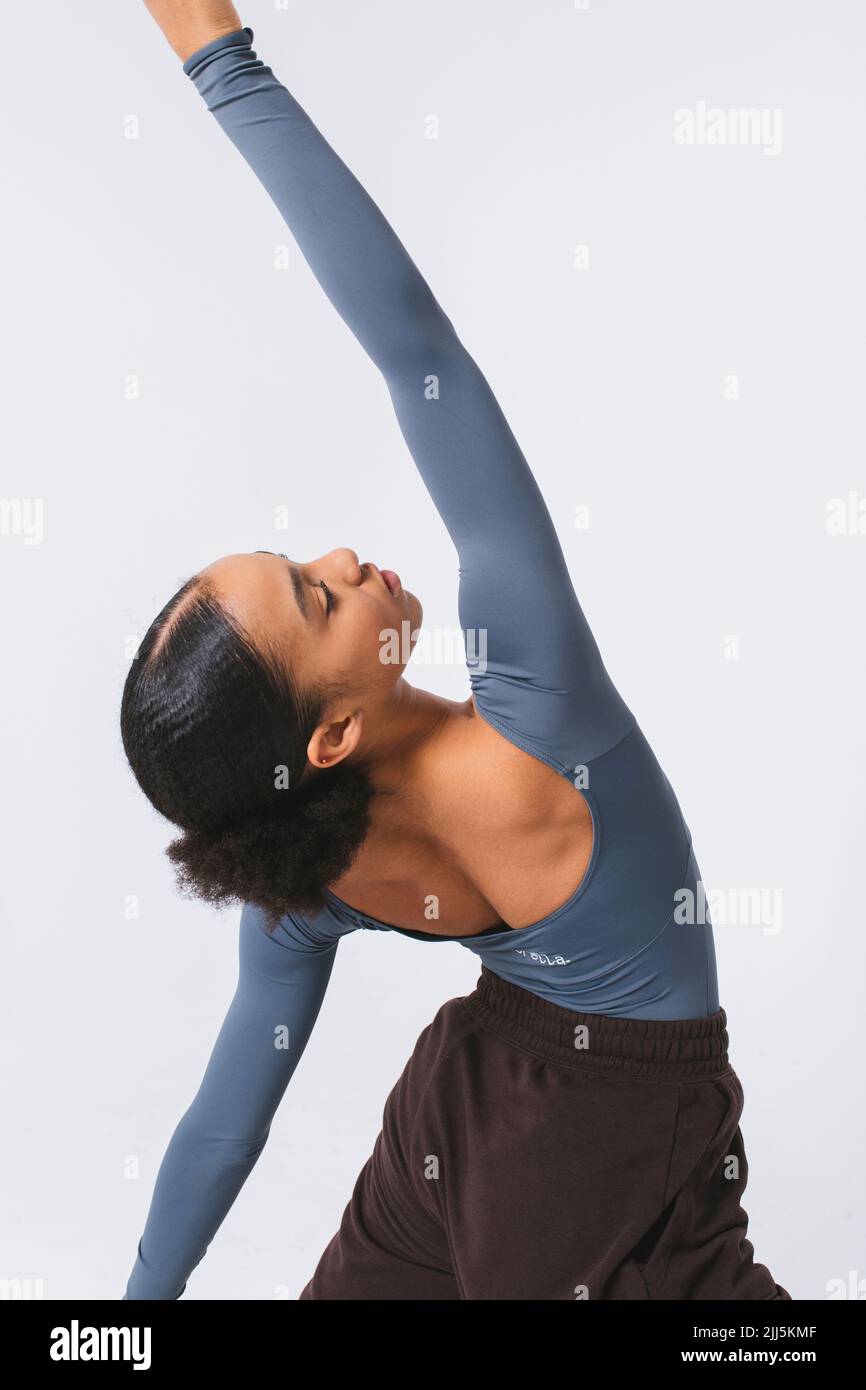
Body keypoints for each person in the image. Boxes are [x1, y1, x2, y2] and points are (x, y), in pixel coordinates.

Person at [121, 2, 791, 1300]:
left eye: (297, 562)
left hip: (469, 1098)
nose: (342, 559)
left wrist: (132, 1311)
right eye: (316, 602)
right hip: (583, 1128)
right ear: (326, 737)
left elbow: (225, 1117)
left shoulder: (300, 869)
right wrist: (217, 57)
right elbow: (413, 344)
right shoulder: (534, 701)